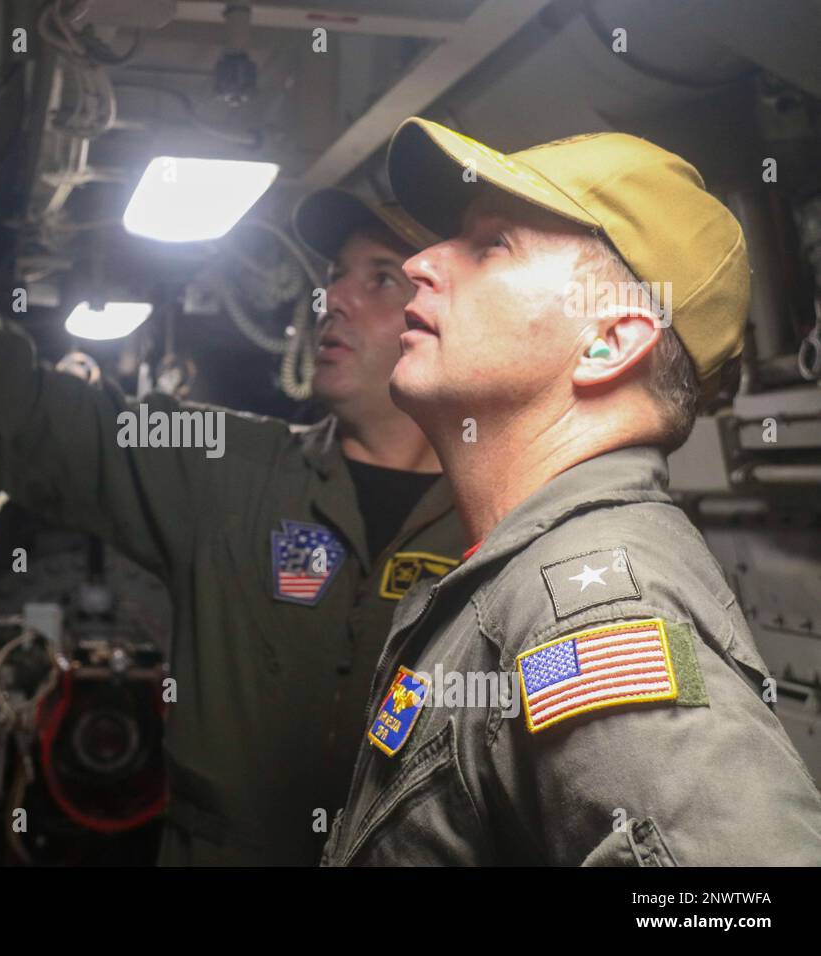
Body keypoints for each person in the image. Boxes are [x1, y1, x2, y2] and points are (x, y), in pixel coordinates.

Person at [0, 81, 467, 865]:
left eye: (380, 278)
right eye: (335, 273)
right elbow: (23, 409)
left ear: (441, 314)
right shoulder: (231, 471)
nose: (332, 297)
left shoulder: (505, 520)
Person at [322, 118, 821, 866]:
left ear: (607, 343)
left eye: (491, 245)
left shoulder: (590, 610)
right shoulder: (531, 577)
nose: (422, 261)